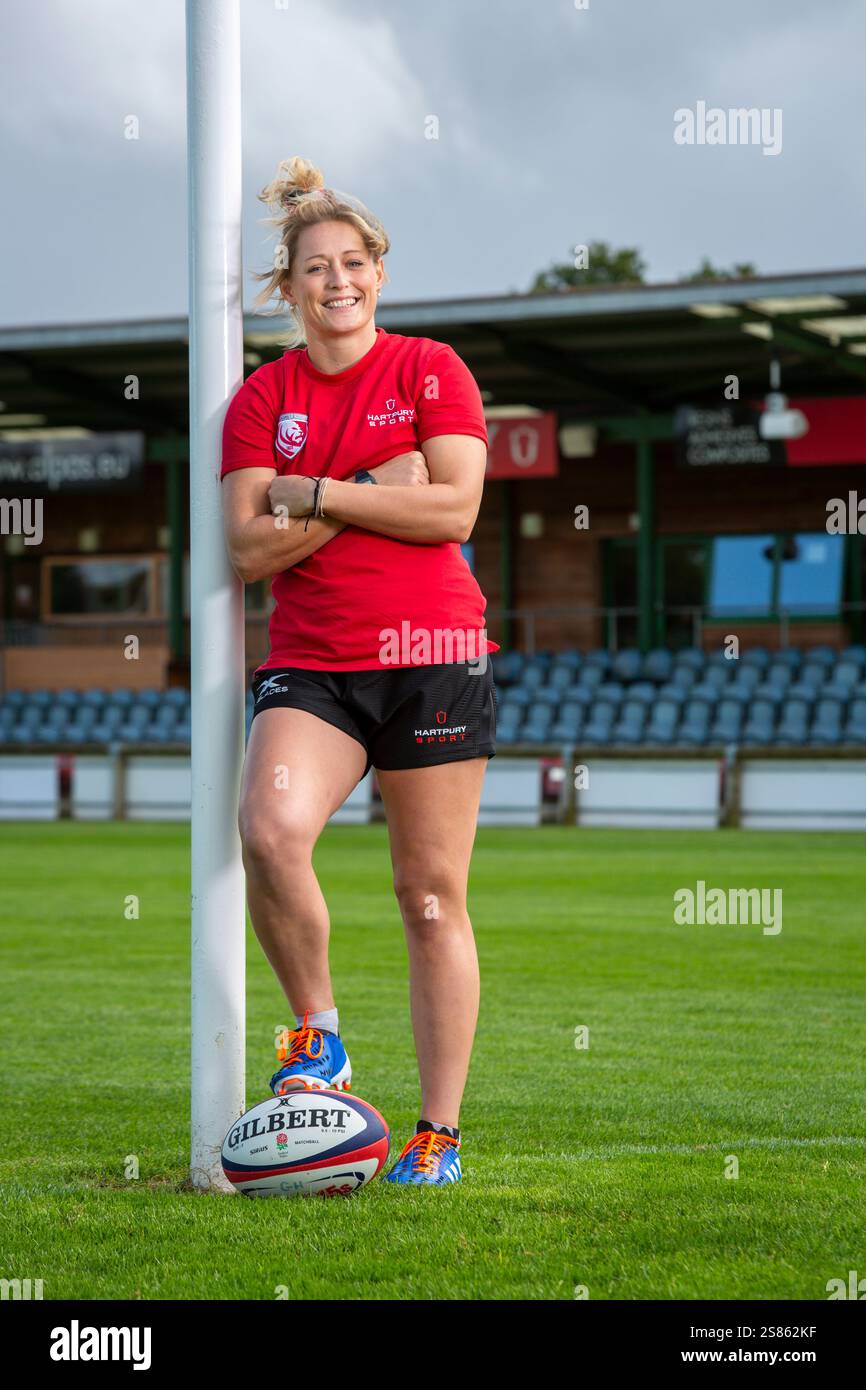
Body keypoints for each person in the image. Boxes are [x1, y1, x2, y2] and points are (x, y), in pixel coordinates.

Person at [220, 156, 498, 1186]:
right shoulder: (263, 397)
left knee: (428, 897)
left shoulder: (430, 368)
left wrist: (314, 494)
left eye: (351, 263)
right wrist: (371, 484)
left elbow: (453, 511)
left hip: (432, 657)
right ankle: (318, 1035)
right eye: (312, 269)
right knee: (267, 829)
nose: (334, 282)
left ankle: (436, 1132)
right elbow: (246, 552)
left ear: (378, 272)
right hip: (315, 664)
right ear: (286, 289)